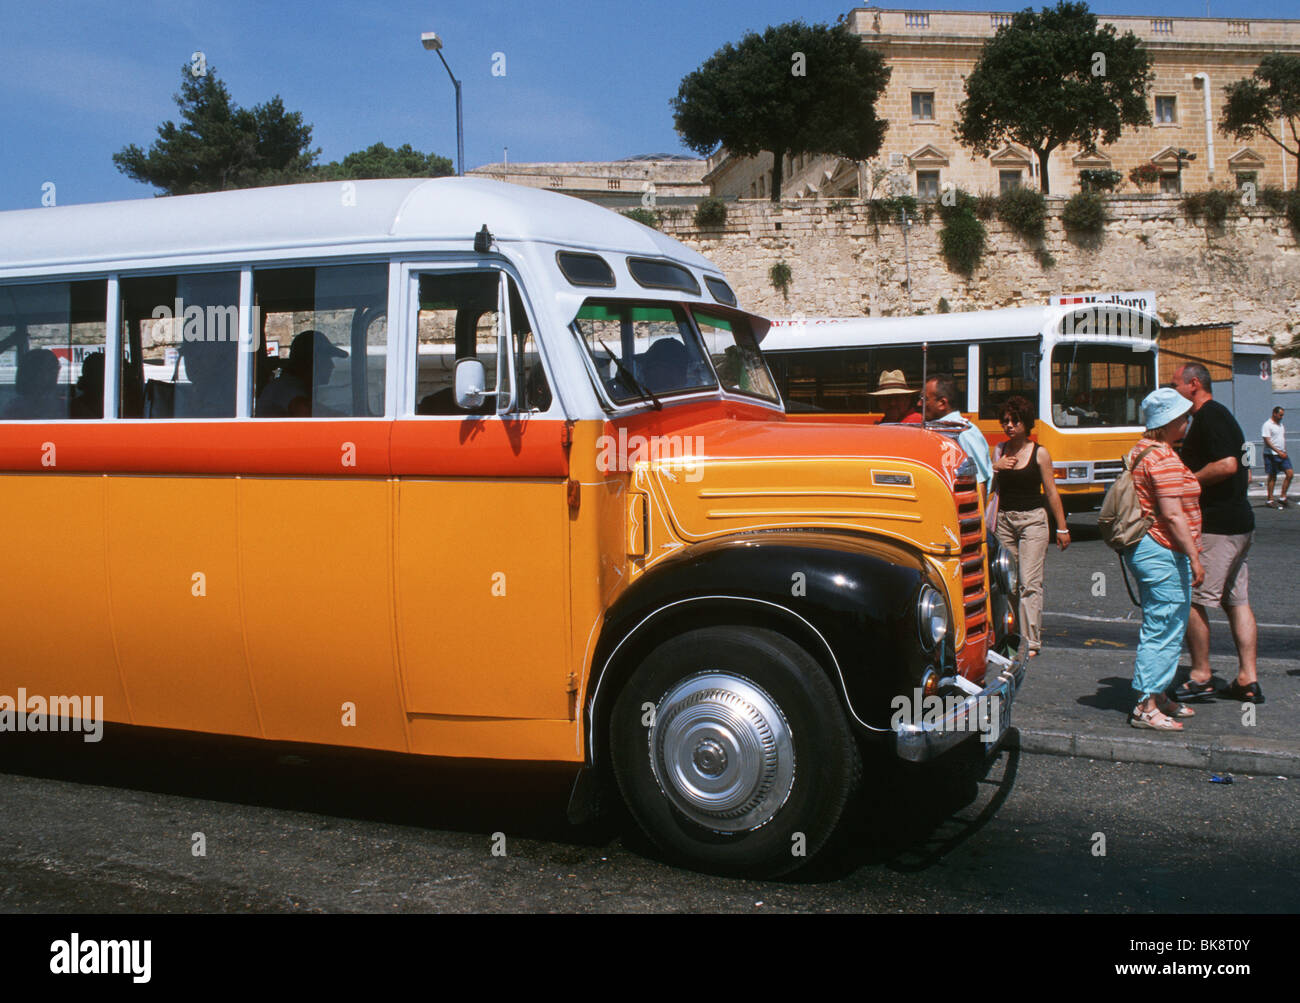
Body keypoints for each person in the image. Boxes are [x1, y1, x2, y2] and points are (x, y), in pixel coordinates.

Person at [1171, 363, 1262, 704]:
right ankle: (1247, 679)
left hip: (1219, 528)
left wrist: (1187, 483)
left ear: (1193, 385)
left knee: (1193, 600)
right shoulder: (1222, 416)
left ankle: (1200, 675)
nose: (1172, 390)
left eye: (1175, 384)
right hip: (1240, 523)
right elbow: (1246, 472)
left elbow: (1228, 465)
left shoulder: (1208, 417)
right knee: (1236, 601)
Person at [1124, 388, 1205, 730]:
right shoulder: (1165, 459)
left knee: (1166, 622)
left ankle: (1158, 695)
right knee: (1164, 625)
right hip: (1163, 549)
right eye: (1183, 417)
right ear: (1169, 422)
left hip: (1145, 547)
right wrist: (1195, 558)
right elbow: (1173, 516)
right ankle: (1145, 706)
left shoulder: (1141, 450)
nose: (1187, 422)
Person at [990, 395, 1070, 658]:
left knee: (1030, 583)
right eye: (1005, 421)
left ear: (1026, 423)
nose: (1009, 426)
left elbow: (1051, 492)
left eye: (1015, 421)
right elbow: (987, 486)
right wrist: (995, 467)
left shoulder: (1039, 452)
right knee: (1007, 583)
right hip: (1004, 522)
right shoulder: (999, 451)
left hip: (1033, 521)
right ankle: (1011, 639)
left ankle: (1031, 642)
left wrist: (1062, 527)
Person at [257, 329, 347, 418]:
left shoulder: (294, 386)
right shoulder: (285, 387)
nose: (331, 365)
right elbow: (304, 411)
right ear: (310, 361)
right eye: (326, 359)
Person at [923, 374, 992, 488]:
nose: (920, 404)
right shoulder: (938, 429)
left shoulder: (963, 432)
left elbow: (979, 482)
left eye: (925, 399)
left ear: (942, 403)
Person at [1262, 406, 1291, 509]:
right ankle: (1270, 499)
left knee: (1290, 473)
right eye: (1280, 415)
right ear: (1274, 413)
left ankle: (1283, 497)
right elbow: (1267, 441)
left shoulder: (1280, 425)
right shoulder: (1267, 425)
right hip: (1271, 455)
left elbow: (1281, 439)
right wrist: (1278, 451)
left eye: (1282, 415)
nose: (1282, 417)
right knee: (1273, 477)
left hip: (1282, 454)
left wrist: (1284, 451)